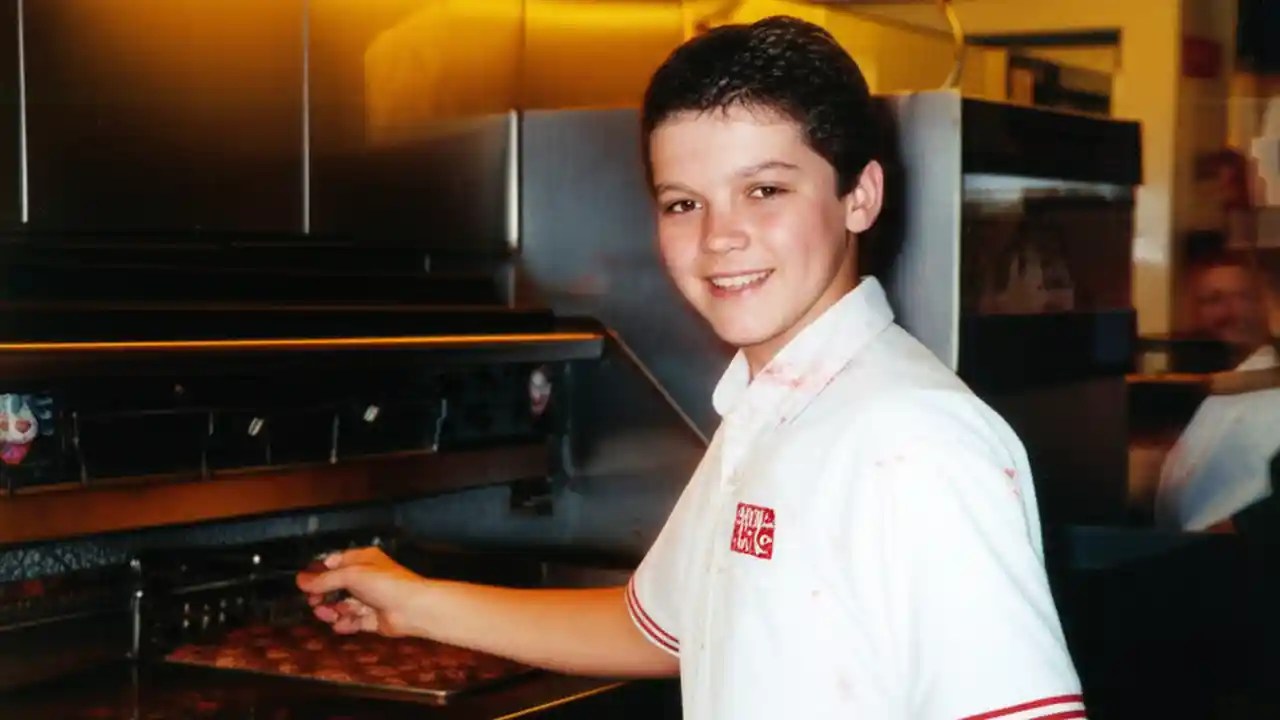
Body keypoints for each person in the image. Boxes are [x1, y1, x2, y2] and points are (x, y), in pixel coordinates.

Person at [298, 16, 1084, 718]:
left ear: (860, 196)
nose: (719, 238)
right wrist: (415, 604)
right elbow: (658, 628)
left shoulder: (912, 440)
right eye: (684, 203)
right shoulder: (771, 409)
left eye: (765, 190)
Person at [1156, 250, 1280, 533]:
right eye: (1214, 300)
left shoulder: (1270, 384)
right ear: (1194, 312)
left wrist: (1239, 529)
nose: (1230, 311)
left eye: (1243, 297)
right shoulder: (1205, 388)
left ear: (1265, 303)